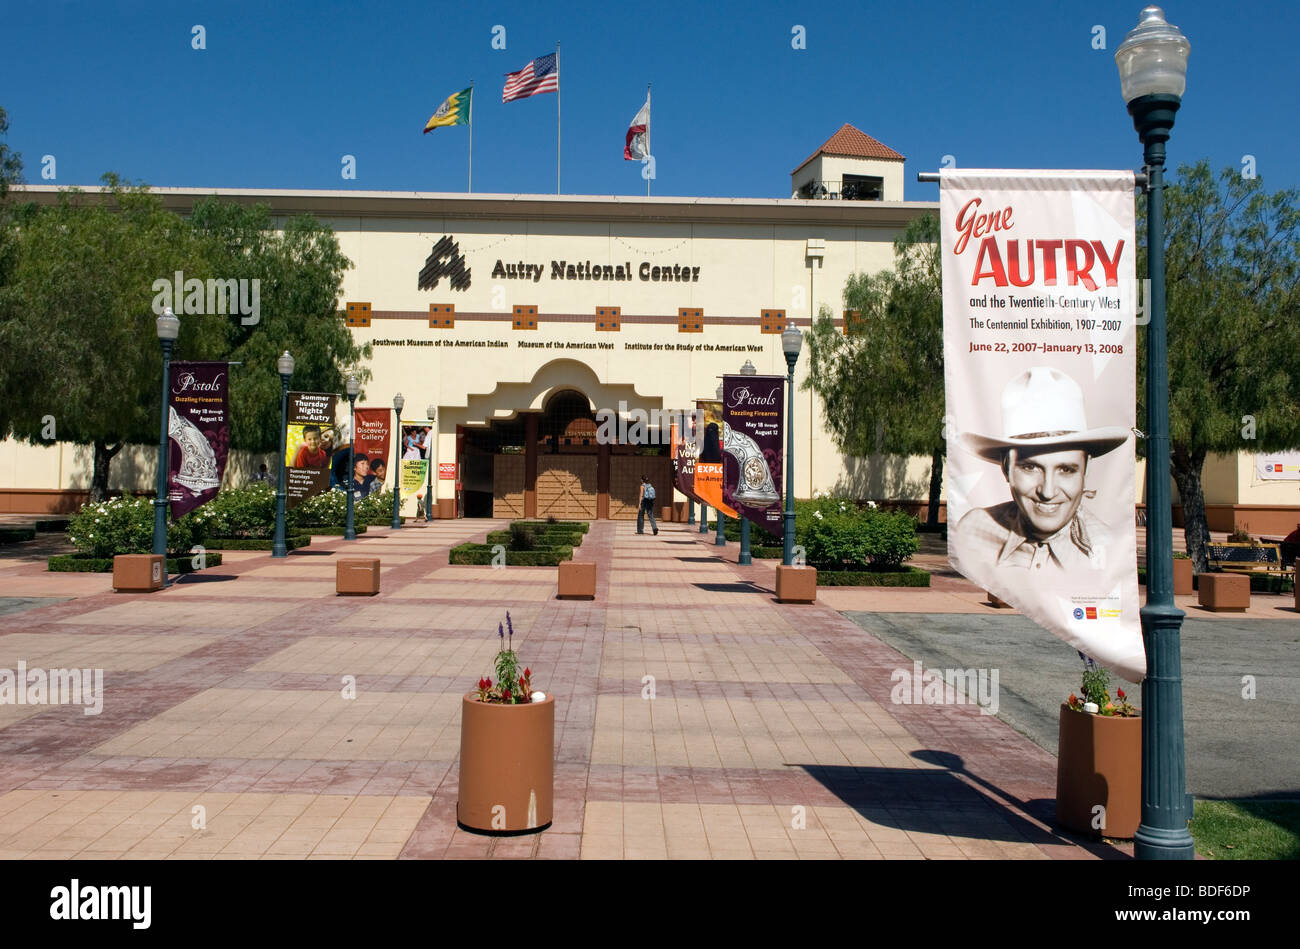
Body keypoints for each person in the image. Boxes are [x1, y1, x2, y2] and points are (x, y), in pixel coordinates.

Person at [953, 367, 1129, 574]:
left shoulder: (1109, 551)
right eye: (1030, 467)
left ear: (1086, 468)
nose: (1047, 491)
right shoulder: (972, 532)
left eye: (1065, 469)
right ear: (1006, 467)